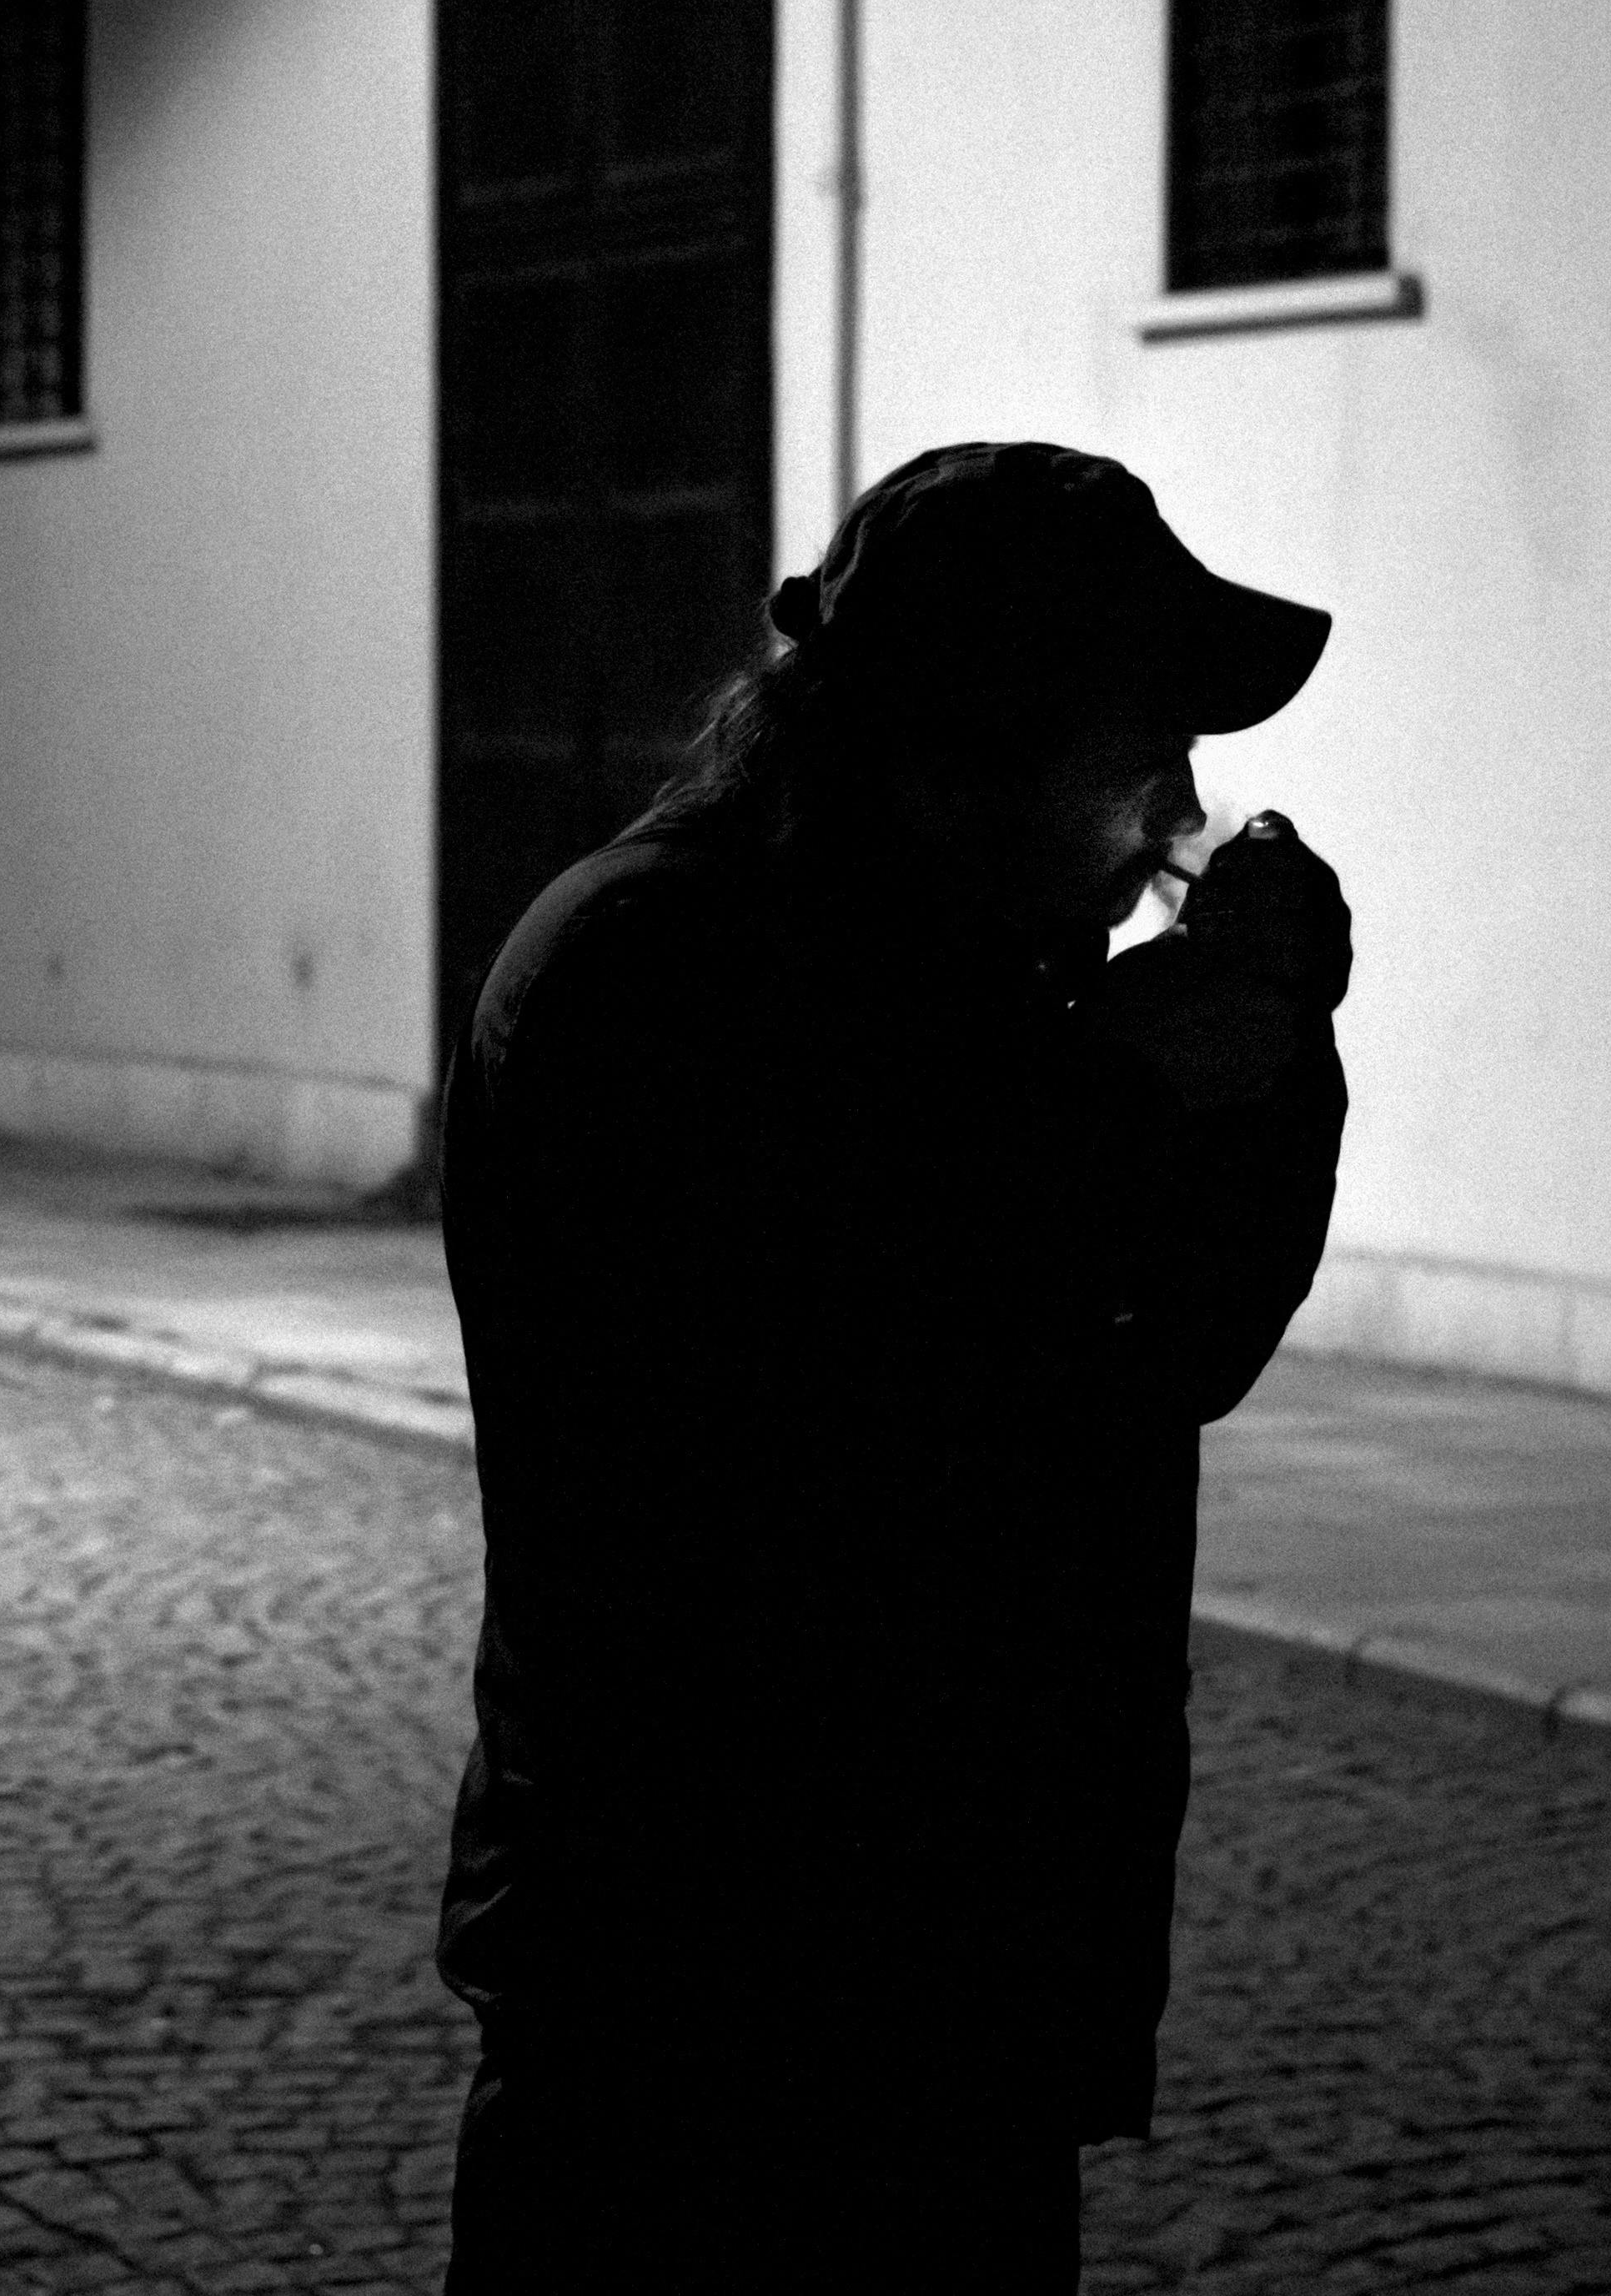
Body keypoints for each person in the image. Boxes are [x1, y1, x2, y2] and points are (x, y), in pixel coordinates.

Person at [434, 440, 1353, 2293]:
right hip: (703, 1981)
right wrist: (1112, 1080)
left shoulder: (971, 976)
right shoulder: (657, 966)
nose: (1176, 810)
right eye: (1142, 750)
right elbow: (816, 1421)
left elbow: (1169, 1340)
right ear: (969, 748)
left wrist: (1271, 1051)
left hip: (960, 1965)